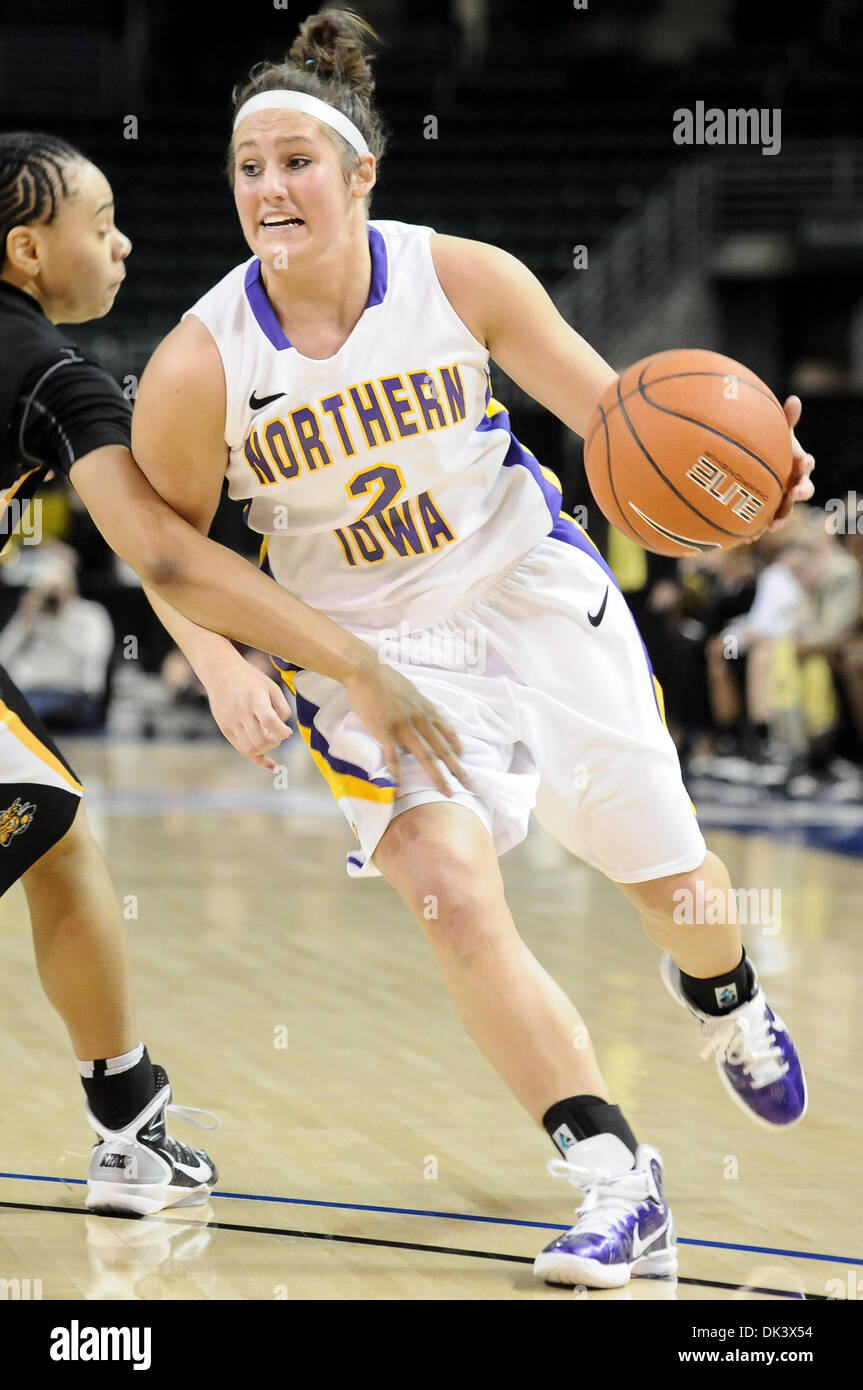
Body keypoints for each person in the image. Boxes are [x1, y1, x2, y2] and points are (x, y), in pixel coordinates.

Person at [129, 7, 815, 1288]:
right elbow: (165, 547)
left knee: (674, 894)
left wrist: (751, 490)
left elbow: (622, 423)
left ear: (359, 173)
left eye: (294, 161)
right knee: (450, 897)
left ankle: (725, 997)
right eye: (246, 167)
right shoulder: (197, 361)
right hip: (365, 651)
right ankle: (614, 1178)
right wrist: (226, 662)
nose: (269, 187)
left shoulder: (462, 277)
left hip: (526, 592)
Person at [0, 127, 465, 1216]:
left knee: (56, 834)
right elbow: (160, 548)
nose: (123, 247)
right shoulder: (48, 375)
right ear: (27, 249)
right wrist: (346, 659)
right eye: (101, 227)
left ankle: (130, 1122)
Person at [0, 545, 114, 731]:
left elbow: (95, 659)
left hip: (68, 694)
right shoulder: (29, 616)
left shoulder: (89, 614)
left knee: (38, 714)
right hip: (27, 691)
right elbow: (3, 656)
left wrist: (64, 616)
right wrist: (24, 621)